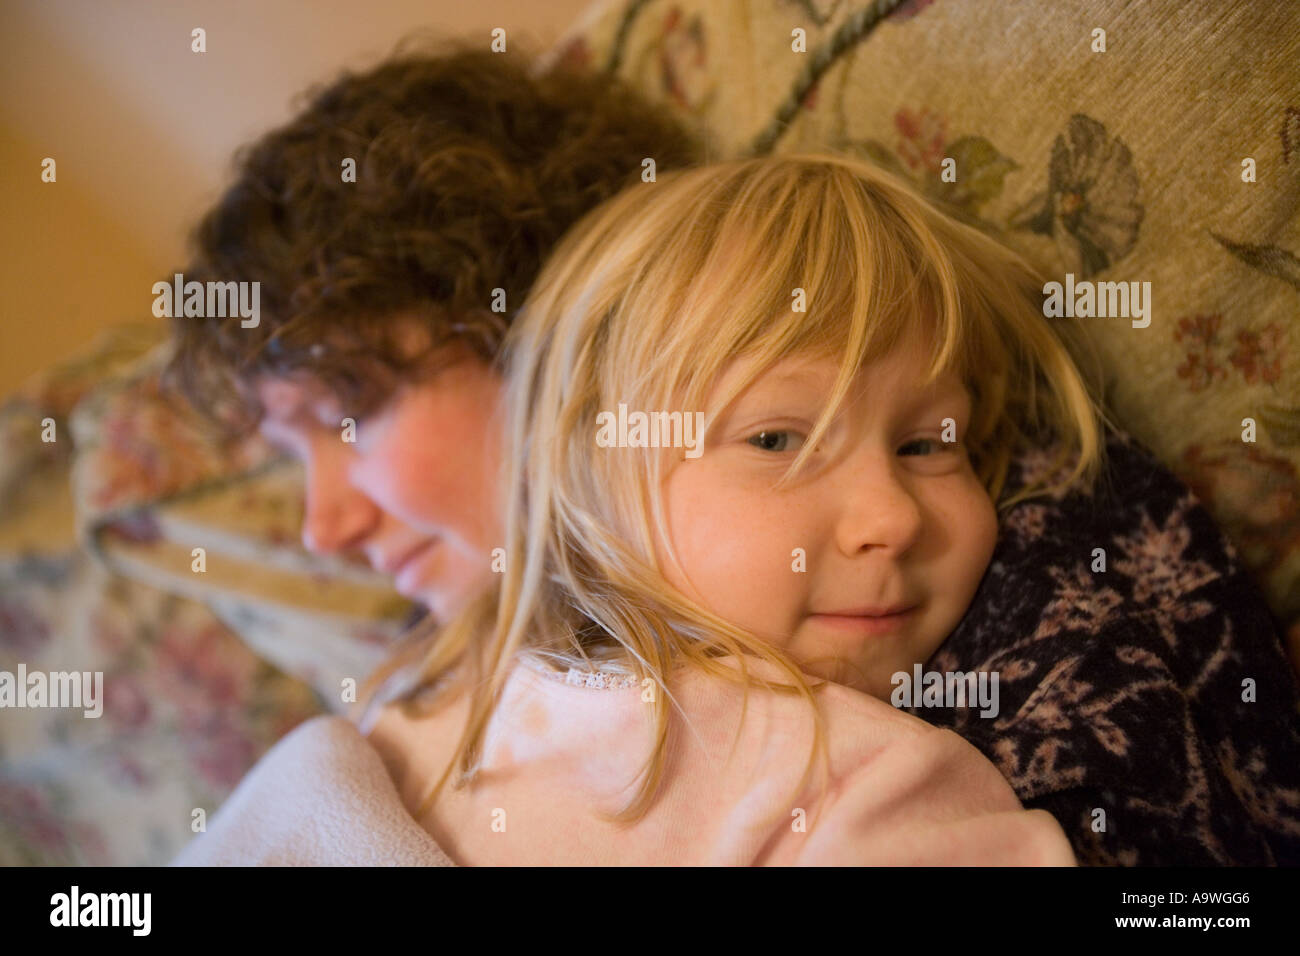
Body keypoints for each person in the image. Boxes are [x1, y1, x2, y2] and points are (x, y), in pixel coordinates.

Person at [344, 152, 1108, 866]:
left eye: (927, 444)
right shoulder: (422, 691)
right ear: (584, 472)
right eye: (776, 439)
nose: (893, 520)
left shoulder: (867, 795)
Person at [165, 39, 706, 626]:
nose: (323, 532)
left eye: (353, 414)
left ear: (544, 322)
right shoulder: (416, 678)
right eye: (295, 456)